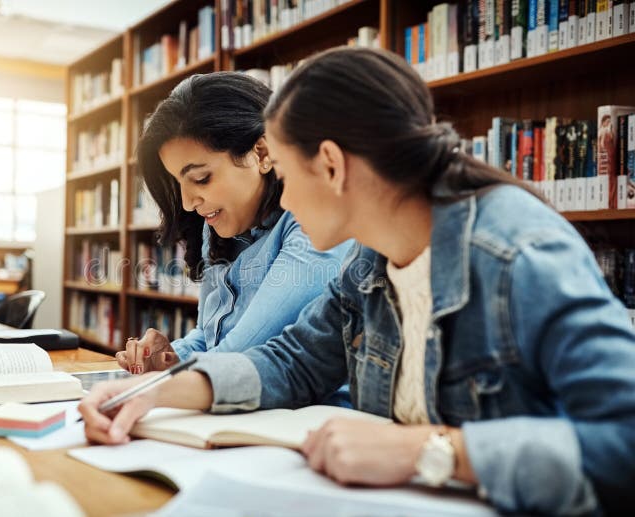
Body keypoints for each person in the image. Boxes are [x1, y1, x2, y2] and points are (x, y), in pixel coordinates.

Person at [79, 47, 635, 515]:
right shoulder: (370, 265)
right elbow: (292, 361)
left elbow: (623, 442)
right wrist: (152, 391)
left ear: (331, 165)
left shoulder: (518, 253)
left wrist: (428, 451)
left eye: (289, 175)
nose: (287, 200)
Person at [120, 72, 350, 393]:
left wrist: (169, 379)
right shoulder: (217, 226)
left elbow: (240, 352)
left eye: (201, 179)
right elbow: (209, 335)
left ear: (262, 153)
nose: (187, 204)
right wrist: (169, 357)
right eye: (178, 183)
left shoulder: (310, 222)